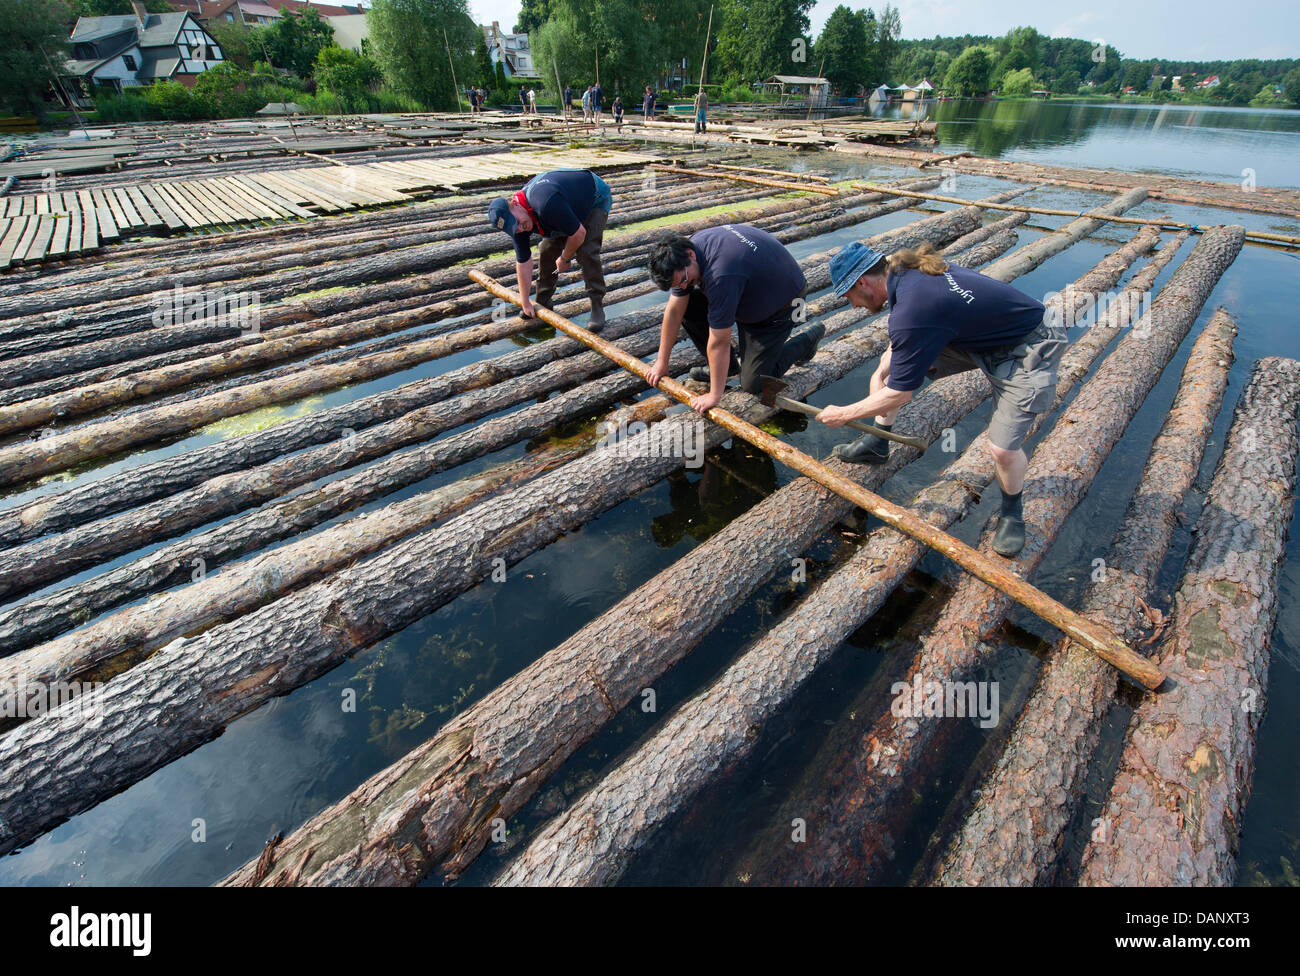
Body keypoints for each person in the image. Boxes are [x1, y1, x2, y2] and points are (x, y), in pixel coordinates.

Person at [818, 241, 1067, 557]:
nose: (852, 305)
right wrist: (886, 368)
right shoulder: (901, 270)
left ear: (862, 283)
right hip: (978, 336)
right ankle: (878, 443)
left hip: (1028, 344)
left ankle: (1012, 512)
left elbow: (901, 393)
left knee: (1003, 449)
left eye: (848, 296)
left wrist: (845, 413)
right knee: (885, 368)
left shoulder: (914, 306)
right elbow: (913, 330)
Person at [645, 225, 825, 415]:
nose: (683, 285)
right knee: (686, 304)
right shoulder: (687, 253)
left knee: (754, 384)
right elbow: (674, 311)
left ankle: (806, 341)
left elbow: (719, 342)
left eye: (684, 279)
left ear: (691, 255)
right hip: (754, 290)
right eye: (678, 283)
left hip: (787, 304)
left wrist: (715, 395)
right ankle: (729, 368)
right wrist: (661, 362)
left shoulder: (721, 274)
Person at [487, 168, 613, 329]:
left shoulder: (545, 203)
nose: (520, 228)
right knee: (547, 249)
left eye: (517, 222)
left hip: (593, 197)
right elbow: (523, 261)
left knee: (586, 252)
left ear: (515, 204)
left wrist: (565, 258)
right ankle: (543, 299)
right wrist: (525, 302)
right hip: (562, 207)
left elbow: (579, 233)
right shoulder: (517, 225)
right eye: (514, 228)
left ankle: (597, 306)